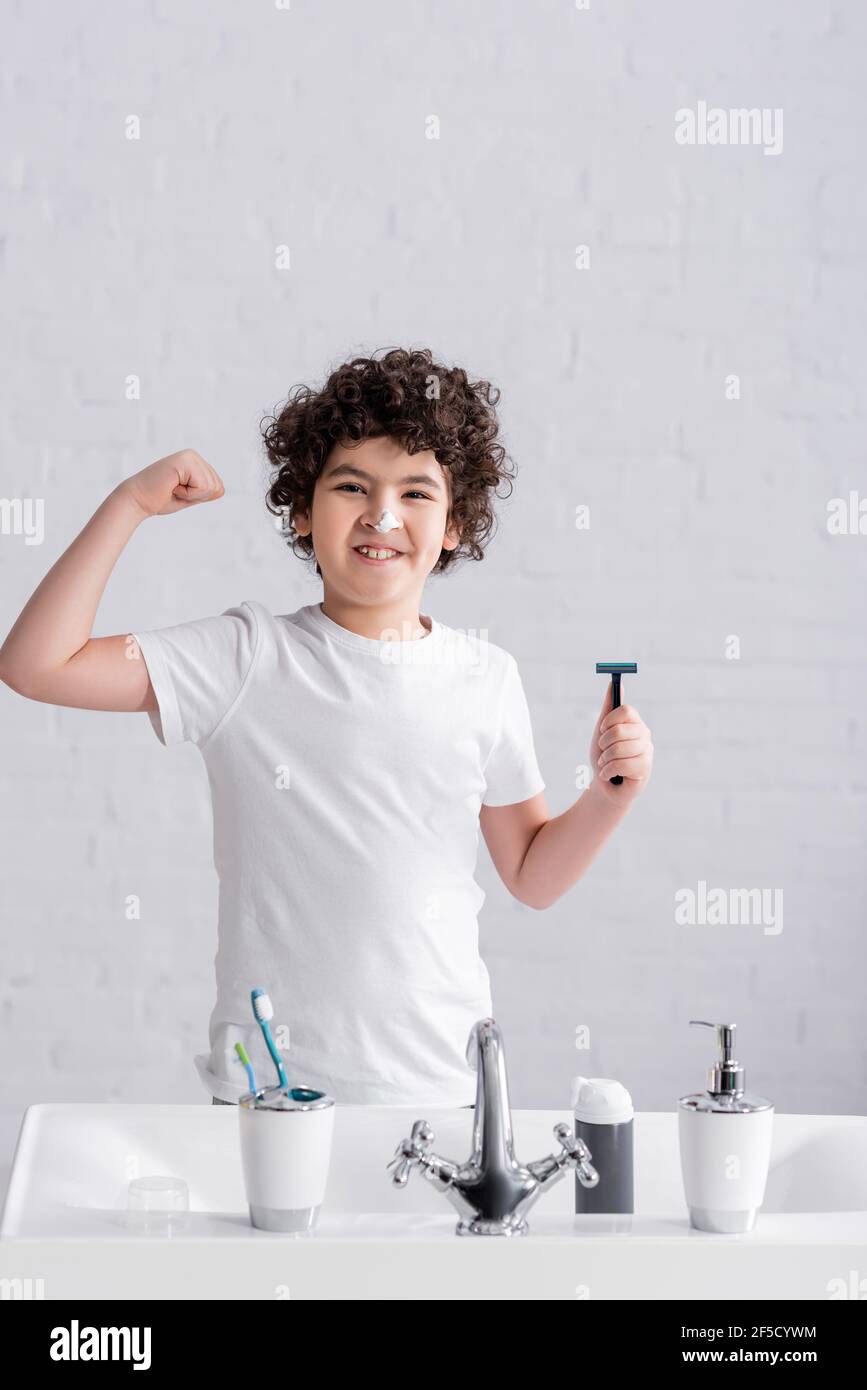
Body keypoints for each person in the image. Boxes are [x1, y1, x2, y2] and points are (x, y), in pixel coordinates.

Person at [0, 347, 653, 1106]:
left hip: (439, 1088)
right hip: (272, 1092)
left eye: (415, 492)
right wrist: (128, 505)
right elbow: (36, 665)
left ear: (453, 525)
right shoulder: (244, 657)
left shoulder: (485, 677)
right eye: (352, 486)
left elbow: (532, 877)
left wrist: (609, 797)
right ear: (303, 511)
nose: (381, 514)